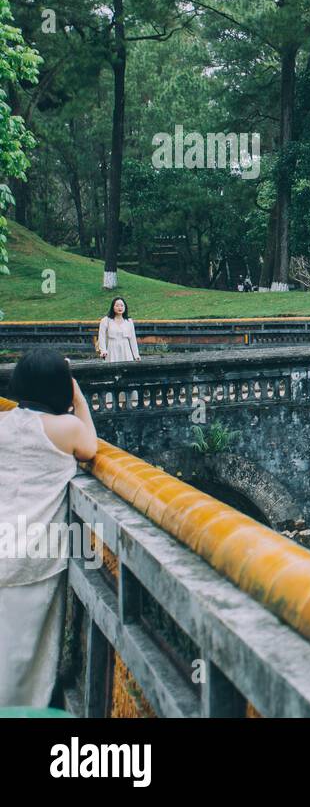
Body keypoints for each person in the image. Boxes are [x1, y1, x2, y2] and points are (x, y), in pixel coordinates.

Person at [0, 348, 98, 707]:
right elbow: (91, 447)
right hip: (33, 553)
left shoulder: (4, 422)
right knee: (23, 657)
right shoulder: (66, 428)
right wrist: (78, 396)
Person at [97, 297, 140, 362]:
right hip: (112, 348)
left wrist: (136, 355)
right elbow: (101, 337)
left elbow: (133, 339)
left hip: (126, 349)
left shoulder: (129, 321)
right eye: (117, 305)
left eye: (122, 305)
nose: (120, 308)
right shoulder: (106, 320)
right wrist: (103, 350)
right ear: (113, 307)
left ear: (125, 307)